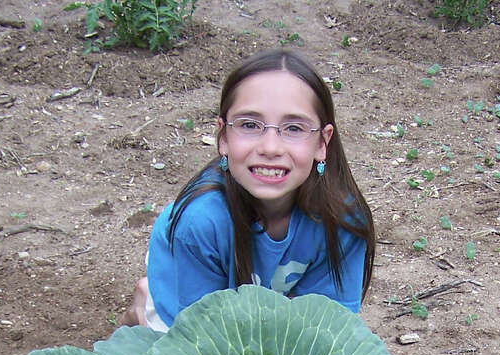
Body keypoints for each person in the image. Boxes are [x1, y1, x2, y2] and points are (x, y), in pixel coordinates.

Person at [119, 50, 375, 330]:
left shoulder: (341, 219)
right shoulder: (200, 221)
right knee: (166, 354)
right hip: (184, 272)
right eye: (250, 125)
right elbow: (200, 341)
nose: (270, 148)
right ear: (223, 136)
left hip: (263, 284)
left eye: (293, 128)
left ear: (322, 143)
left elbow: (332, 329)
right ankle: (148, 304)